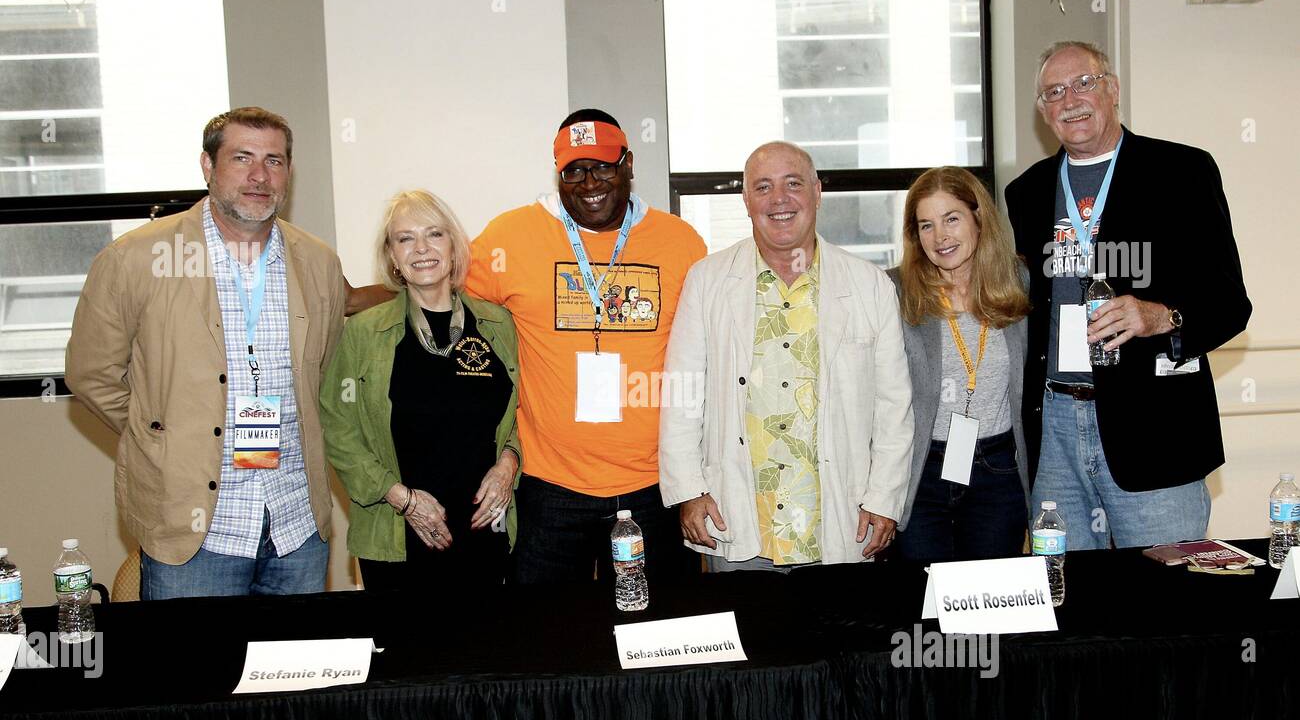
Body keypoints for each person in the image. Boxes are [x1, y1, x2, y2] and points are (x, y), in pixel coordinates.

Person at [65, 107, 346, 598]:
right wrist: (160, 435)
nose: (260, 176)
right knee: (189, 674)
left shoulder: (318, 262)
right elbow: (91, 374)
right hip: (196, 532)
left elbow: (325, 371)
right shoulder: (138, 258)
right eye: (242, 158)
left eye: (274, 161)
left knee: (299, 675)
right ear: (207, 166)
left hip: (296, 524)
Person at [1005, 41, 1251, 549]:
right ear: (1043, 111)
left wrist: (1160, 317)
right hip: (1053, 428)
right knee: (1065, 596)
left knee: (1166, 596)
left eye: (1083, 83)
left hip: (1154, 425)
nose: (1070, 99)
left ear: (1112, 90)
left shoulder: (1182, 172)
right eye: (1054, 92)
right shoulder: (1026, 192)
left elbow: (1230, 302)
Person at [465, 108, 707, 586]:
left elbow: (715, 345)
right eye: (573, 170)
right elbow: (435, 292)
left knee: (654, 636)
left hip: (656, 486)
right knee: (549, 639)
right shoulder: (508, 238)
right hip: (551, 489)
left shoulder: (681, 243)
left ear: (629, 164)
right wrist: (355, 300)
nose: (589, 181)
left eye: (602, 165)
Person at [659, 141, 913, 570]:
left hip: (840, 520)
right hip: (737, 518)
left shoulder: (870, 285)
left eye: (793, 184)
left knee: (840, 639)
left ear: (817, 191)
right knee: (746, 637)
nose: (779, 199)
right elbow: (683, 394)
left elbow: (894, 407)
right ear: (746, 200)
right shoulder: (707, 281)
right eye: (763, 187)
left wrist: (884, 498)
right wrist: (688, 489)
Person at [320, 190, 520, 591]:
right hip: (397, 532)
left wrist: (509, 464)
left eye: (434, 234)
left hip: (486, 529)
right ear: (392, 256)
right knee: (404, 651)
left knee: (491, 651)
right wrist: (403, 500)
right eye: (405, 238)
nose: (422, 249)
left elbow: (525, 413)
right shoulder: (363, 333)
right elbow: (337, 431)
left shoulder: (498, 324)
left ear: (454, 247)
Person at [892, 167, 1031, 564]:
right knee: (927, 605)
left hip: (998, 470)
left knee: (988, 605)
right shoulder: (896, 292)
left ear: (978, 217)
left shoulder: (1018, 281)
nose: (941, 237)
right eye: (926, 225)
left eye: (951, 218)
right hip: (921, 474)